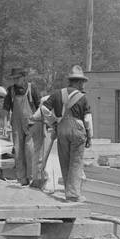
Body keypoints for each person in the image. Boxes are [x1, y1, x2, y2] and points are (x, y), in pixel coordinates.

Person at [35, 65, 94, 202]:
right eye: (82, 83)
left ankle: (69, 192)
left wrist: (53, 122)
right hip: (78, 129)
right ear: (79, 82)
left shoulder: (57, 94)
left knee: (65, 162)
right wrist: (89, 136)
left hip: (61, 129)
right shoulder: (82, 97)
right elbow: (87, 119)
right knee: (76, 162)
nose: (82, 85)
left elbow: (43, 108)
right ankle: (73, 195)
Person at [7, 67, 44, 187]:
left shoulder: (31, 88)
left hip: (31, 124)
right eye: (14, 78)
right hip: (16, 124)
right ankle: (22, 179)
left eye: (17, 78)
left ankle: (32, 177)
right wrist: (5, 123)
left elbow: (40, 106)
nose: (15, 80)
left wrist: (37, 119)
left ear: (23, 77)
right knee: (18, 150)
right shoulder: (11, 90)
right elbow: (6, 109)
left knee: (30, 150)